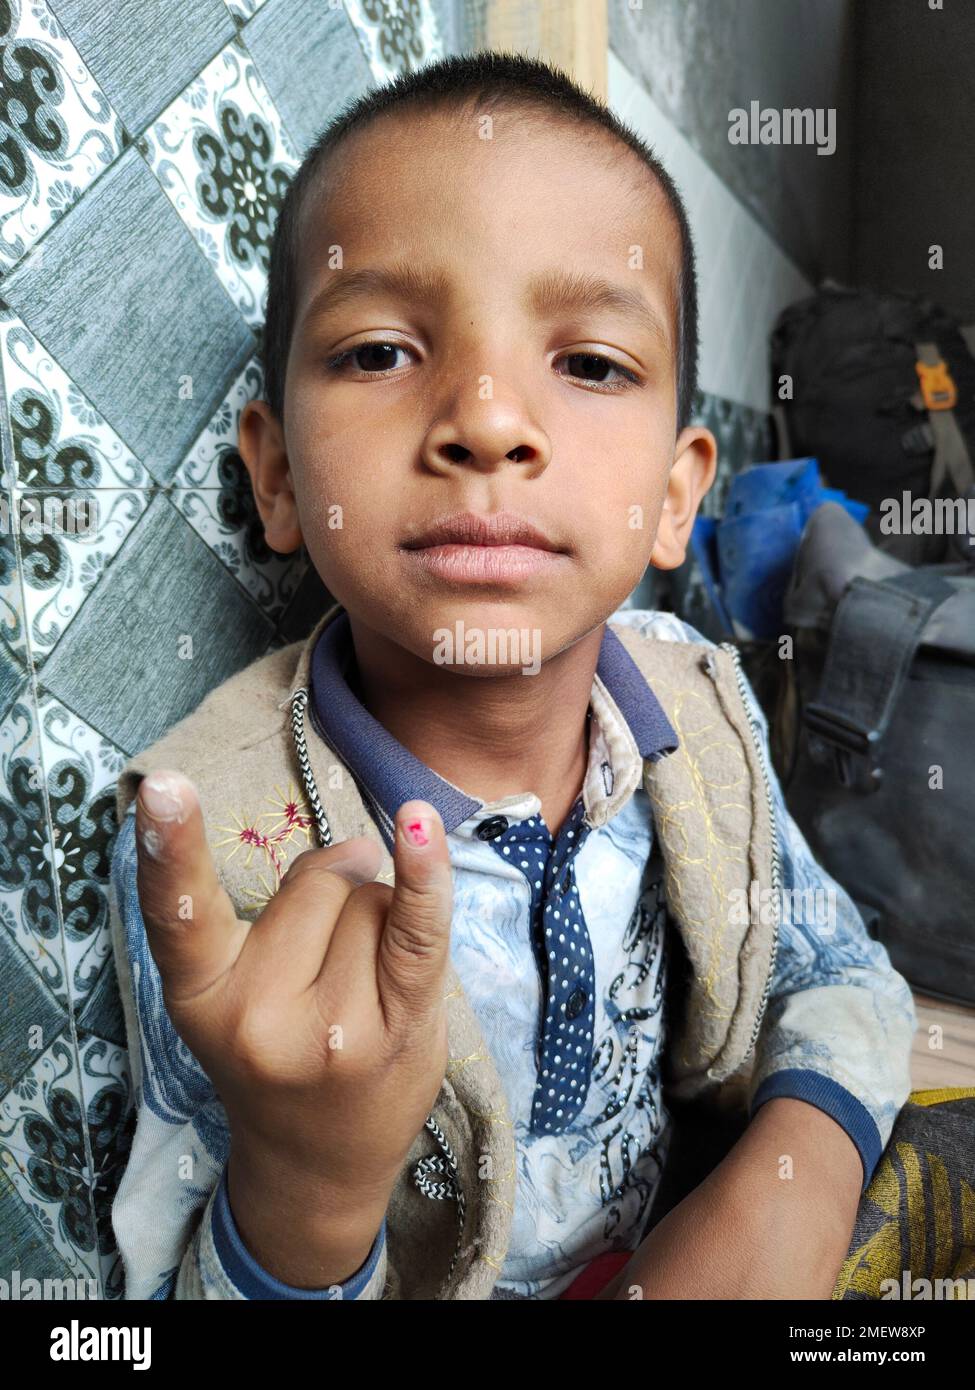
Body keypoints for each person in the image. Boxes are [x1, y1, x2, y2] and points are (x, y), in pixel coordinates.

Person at [107, 51, 916, 1300]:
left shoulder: (699, 702)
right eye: (380, 351)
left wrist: (786, 1181)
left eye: (590, 363)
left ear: (675, 494)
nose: (487, 418)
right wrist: (304, 1201)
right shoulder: (207, 855)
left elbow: (837, 965)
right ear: (274, 475)